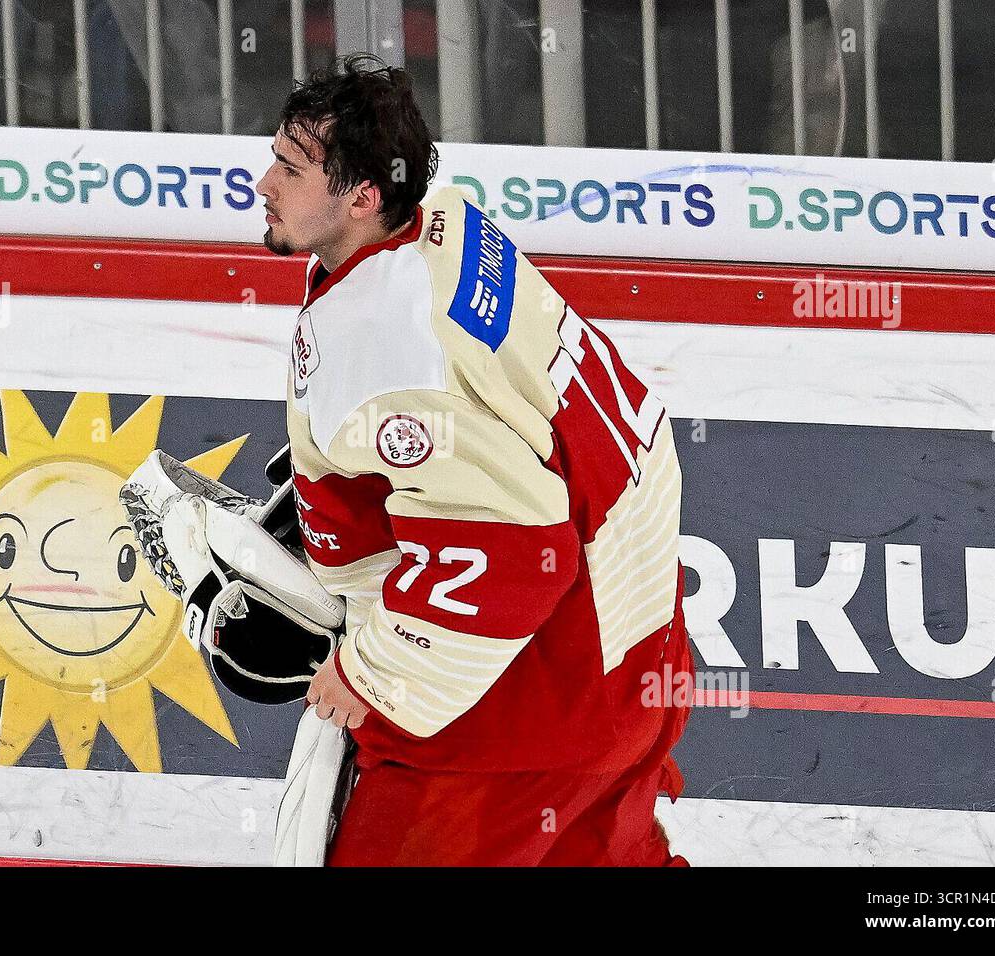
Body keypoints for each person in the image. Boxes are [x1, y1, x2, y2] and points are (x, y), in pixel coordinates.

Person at [254, 52, 695, 867]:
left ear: (361, 196)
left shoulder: (389, 341)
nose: (263, 183)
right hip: (629, 656)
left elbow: (514, 552)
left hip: (527, 714)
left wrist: (373, 675)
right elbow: (486, 423)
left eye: (290, 167)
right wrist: (343, 487)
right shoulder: (445, 227)